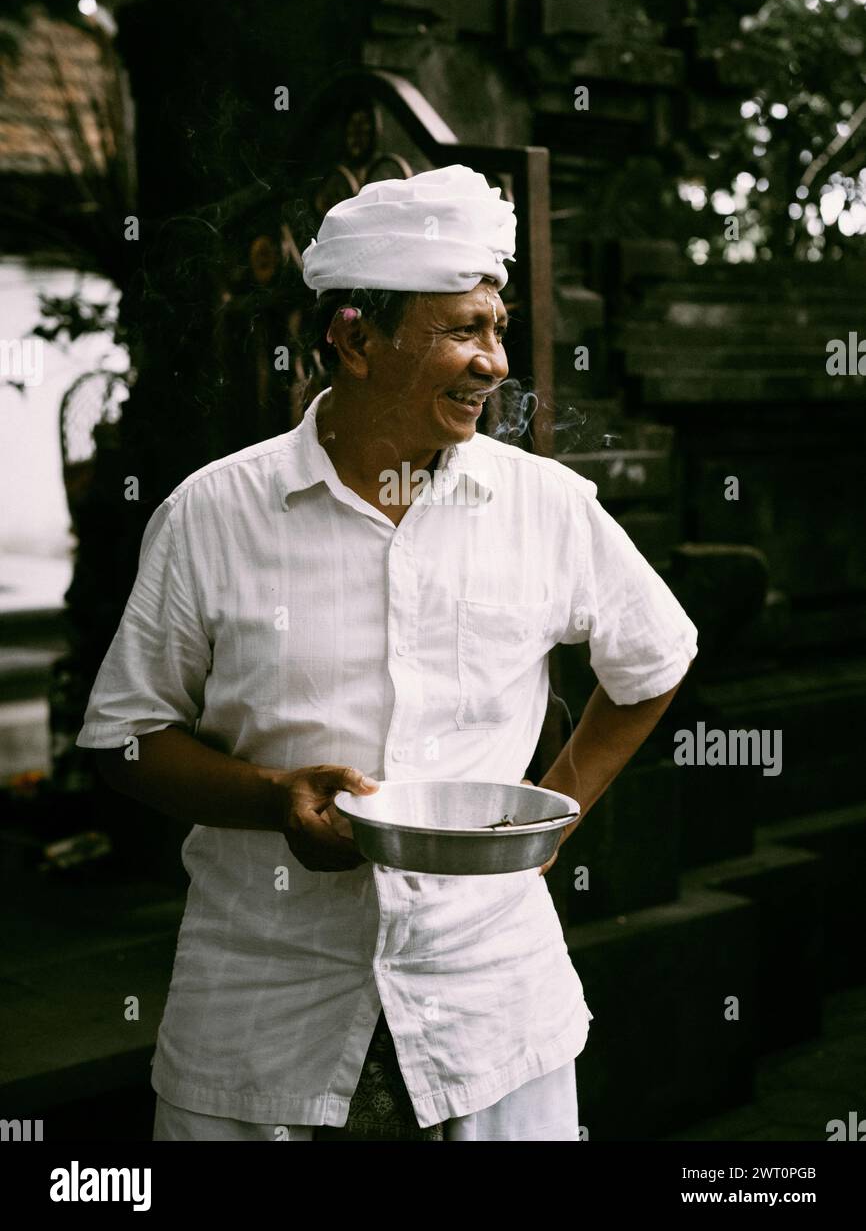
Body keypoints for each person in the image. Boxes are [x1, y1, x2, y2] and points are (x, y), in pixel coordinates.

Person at [77, 164, 697, 1142]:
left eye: (496, 328)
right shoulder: (213, 515)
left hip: (488, 1004)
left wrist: (554, 818)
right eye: (462, 330)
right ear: (355, 340)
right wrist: (266, 796)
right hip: (262, 1010)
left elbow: (653, 658)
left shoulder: (542, 506)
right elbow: (120, 737)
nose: (494, 361)